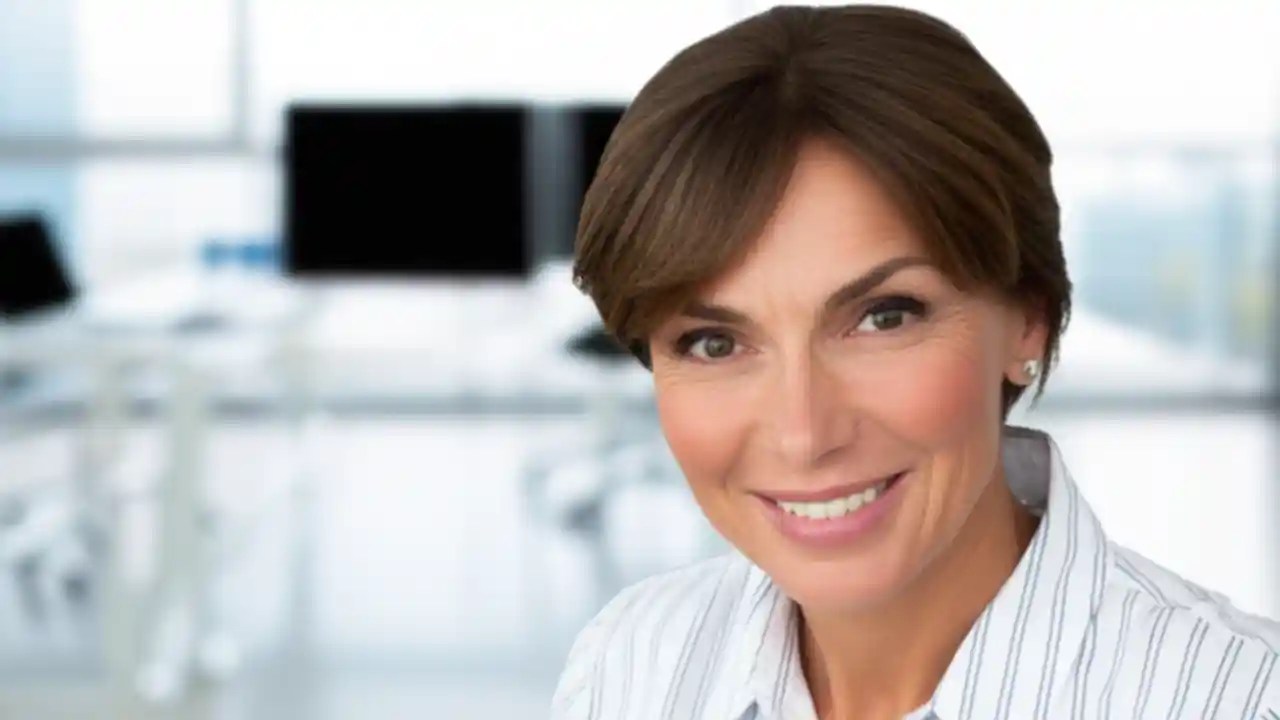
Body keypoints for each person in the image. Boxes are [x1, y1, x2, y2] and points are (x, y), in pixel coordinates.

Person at [550, 5, 1280, 719]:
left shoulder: (1240, 698)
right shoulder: (632, 664)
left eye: (883, 317)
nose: (804, 434)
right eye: (714, 342)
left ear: (1028, 316)